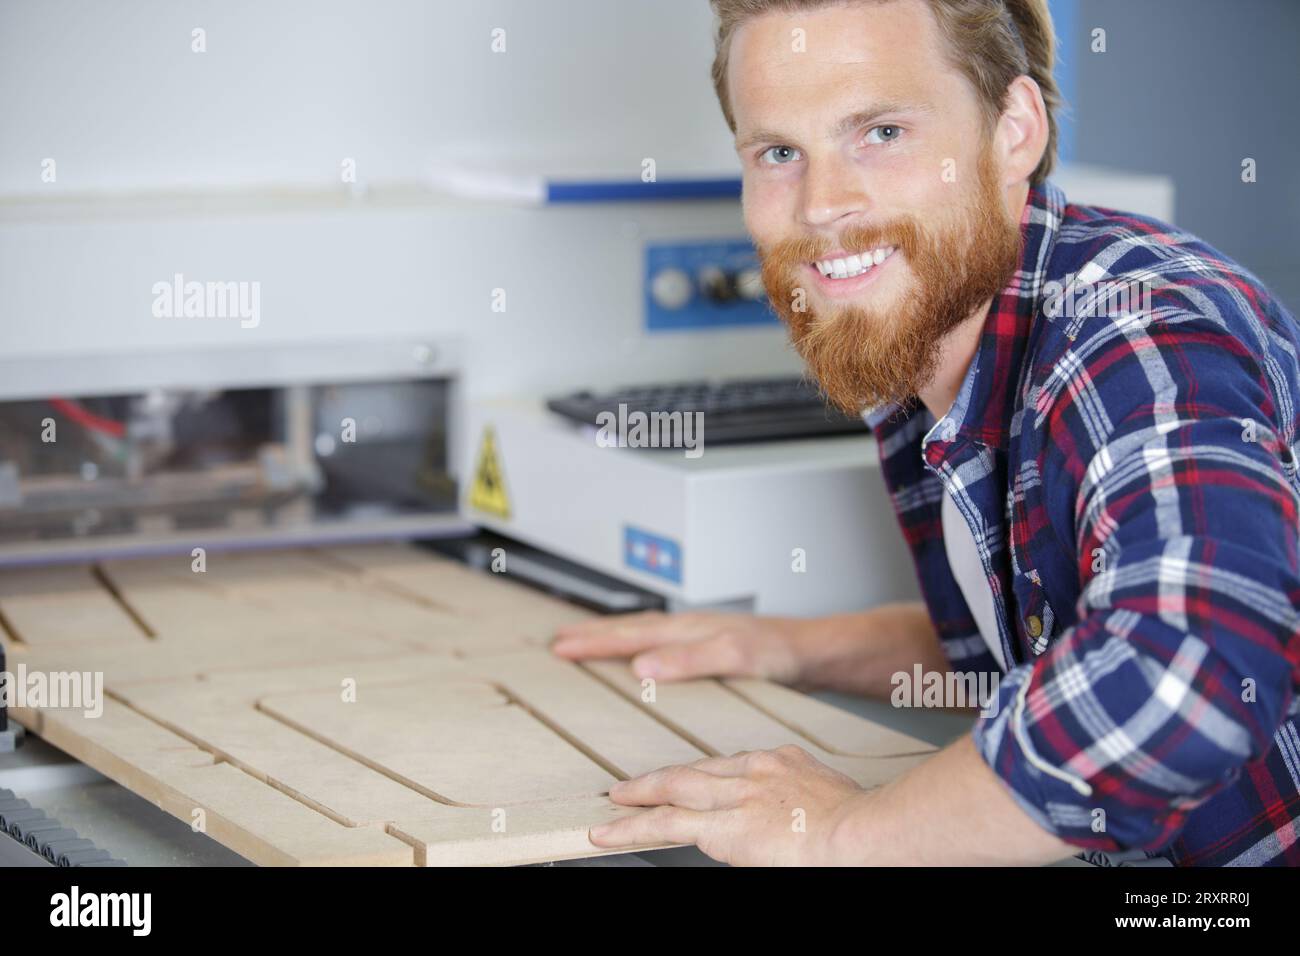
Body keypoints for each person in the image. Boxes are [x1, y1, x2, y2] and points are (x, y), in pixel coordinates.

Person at [551, 0, 1300, 866]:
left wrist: (843, 835)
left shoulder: (1134, 327)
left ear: (1014, 130)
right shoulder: (929, 345)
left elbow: (1193, 665)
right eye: (780, 153)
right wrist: (786, 648)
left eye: (883, 132)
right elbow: (1046, 643)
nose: (825, 206)